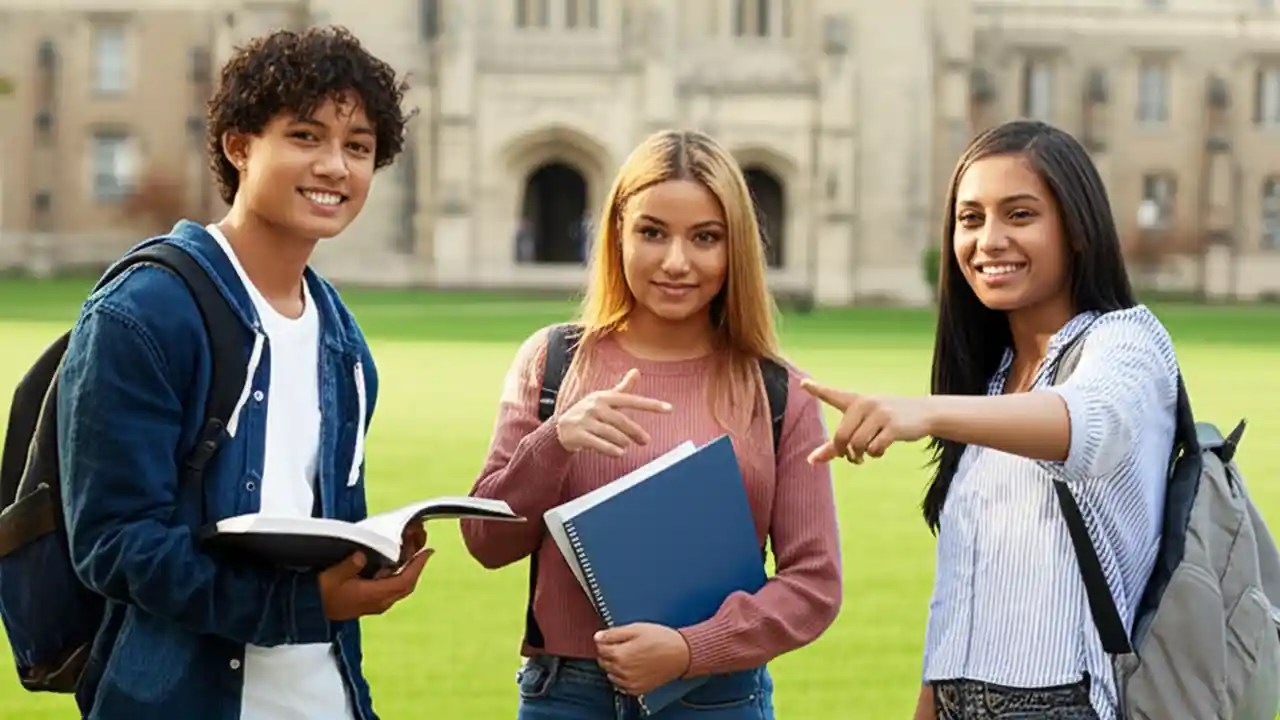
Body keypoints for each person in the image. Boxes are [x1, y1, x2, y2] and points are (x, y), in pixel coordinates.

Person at [57, 26, 430, 720]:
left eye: (358, 147)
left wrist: (368, 557)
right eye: (305, 136)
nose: (334, 167)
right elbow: (113, 543)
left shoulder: (344, 342)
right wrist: (297, 603)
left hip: (327, 699)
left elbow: (315, 532)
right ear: (239, 145)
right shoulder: (143, 312)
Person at [801, 119, 1179, 720]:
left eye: (1020, 215)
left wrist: (925, 413)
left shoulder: (1127, 342)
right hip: (957, 699)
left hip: (1066, 703)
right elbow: (961, 593)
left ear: (1077, 229)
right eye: (970, 219)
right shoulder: (991, 378)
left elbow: (1089, 426)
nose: (989, 240)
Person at [460, 129, 843, 719]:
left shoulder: (778, 390)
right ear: (616, 234)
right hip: (564, 696)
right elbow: (485, 543)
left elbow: (814, 585)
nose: (676, 262)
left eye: (705, 238)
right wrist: (555, 440)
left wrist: (691, 648)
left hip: (718, 698)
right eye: (652, 232)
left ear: (735, 247)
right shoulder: (553, 363)